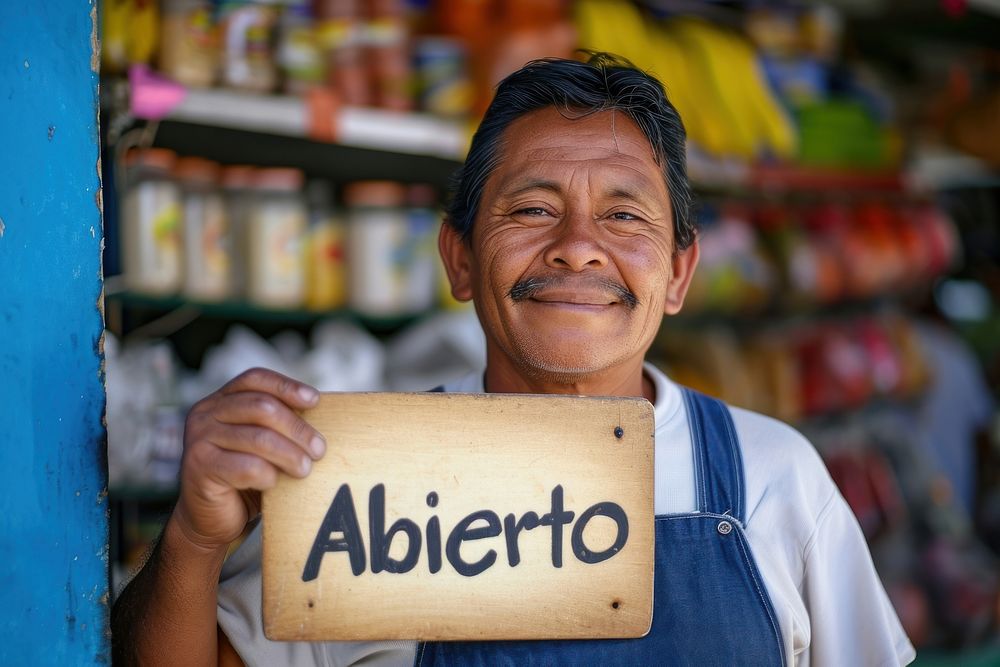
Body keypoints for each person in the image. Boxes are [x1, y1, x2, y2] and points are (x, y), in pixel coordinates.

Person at [111, 53, 915, 666]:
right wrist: (192, 539)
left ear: (677, 273)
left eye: (624, 215)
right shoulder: (364, 481)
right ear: (458, 258)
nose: (577, 249)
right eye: (532, 208)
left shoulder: (773, 477)